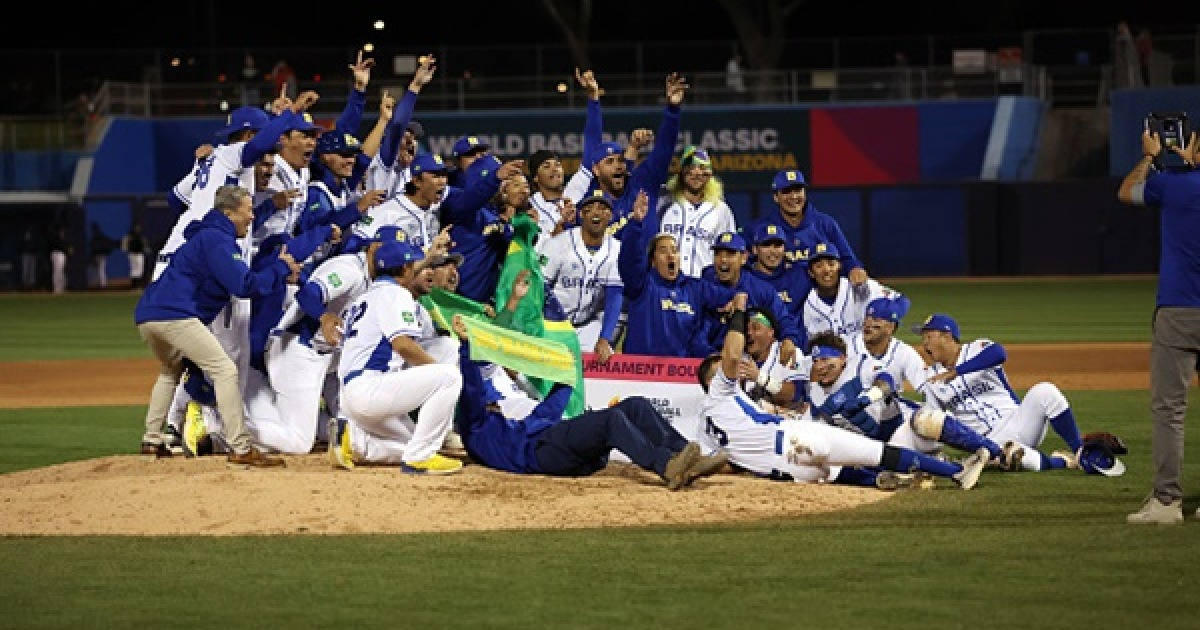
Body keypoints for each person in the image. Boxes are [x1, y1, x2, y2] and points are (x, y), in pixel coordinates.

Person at [696, 293, 988, 490]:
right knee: (871, 457)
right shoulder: (732, 390)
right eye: (818, 360)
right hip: (807, 442)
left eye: (827, 360)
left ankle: (983, 455)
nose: (821, 366)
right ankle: (947, 472)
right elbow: (778, 385)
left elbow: (884, 379)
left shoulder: (710, 420)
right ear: (713, 380)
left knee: (849, 464)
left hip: (795, 467)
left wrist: (867, 397)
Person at [449, 314, 726, 490]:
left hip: (557, 446)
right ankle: (666, 466)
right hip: (544, 454)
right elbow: (472, 388)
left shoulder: (511, 422)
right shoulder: (476, 428)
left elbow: (549, 411)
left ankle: (687, 458)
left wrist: (566, 377)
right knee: (611, 420)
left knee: (636, 405)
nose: (492, 401)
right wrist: (467, 346)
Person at [134, 185, 300, 466]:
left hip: (149, 315)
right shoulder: (218, 240)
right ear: (228, 213)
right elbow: (244, 285)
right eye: (248, 210)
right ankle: (241, 447)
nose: (251, 217)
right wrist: (281, 268)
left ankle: (151, 439)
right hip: (175, 314)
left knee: (169, 372)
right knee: (224, 370)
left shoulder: (206, 234)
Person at [1118, 127, 1200, 524]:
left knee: (1170, 409)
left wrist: (1151, 157)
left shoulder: (1174, 186)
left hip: (1181, 310)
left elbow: (1128, 191)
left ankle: (1168, 502)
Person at [912, 313, 1109, 475]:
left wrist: (957, 371)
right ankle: (1063, 462)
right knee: (1015, 456)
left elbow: (999, 354)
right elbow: (935, 420)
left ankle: (1079, 450)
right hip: (987, 443)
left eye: (929, 337)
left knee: (1045, 391)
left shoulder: (977, 348)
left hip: (1019, 422)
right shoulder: (931, 380)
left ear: (947, 336)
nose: (924, 344)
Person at [330, 238, 464, 474]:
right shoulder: (396, 294)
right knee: (450, 377)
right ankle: (420, 459)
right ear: (404, 270)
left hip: (349, 396)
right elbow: (402, 345)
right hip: (371, 389)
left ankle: (355, 442)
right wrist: (435, 371)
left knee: (412, 442)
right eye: (412, 264)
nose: (417, 268)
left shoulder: (363, 298)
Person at [616, 190, 737, 358]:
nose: (671, 255)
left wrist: (735, 301)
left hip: (679, 376)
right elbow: (629, 259)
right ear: (653, 260)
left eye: (675, 250)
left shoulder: (695, 288)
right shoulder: (641, 285)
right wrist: (636, 223)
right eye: (663, 251)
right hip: (641, 374)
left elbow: (735, 296)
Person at [539, 191, 624, 359]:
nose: (596, 213)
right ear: (581, 214)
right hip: (550, 322)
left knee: (605, 358)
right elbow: (539, 287)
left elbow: (615, 295)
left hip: (586, 325)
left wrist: (605, 338)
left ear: (611, 216)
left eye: (602, 208)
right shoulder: (557, 244)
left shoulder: (617, 249)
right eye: (589, 208)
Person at [697, 231, 804, 363]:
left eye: (730, 254)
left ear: (744, 258)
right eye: (718, 254)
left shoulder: (761, 289)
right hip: (712, 357)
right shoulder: (704, 287)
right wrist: (710, 356)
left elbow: (784, 320)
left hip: (750, 359)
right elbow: (697, 331)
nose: (723, 259)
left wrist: (789, 339)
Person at [752, 169, 868, 286]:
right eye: (787, 191)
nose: (793, 196)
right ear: (776, 197)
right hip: (779, 294)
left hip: (820, 293)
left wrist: (855, 269)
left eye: (798, 190)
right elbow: (743, 260)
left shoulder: (825, 223)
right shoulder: (761, 228)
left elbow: (847, 258)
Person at [656, 146, 737, 278]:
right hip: (665, 284)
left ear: (710, 173)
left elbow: (729, 251)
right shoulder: (663, 203)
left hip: (704, 286)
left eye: (703, 167)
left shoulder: (721, 210)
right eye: (691, 167)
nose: (697, 173)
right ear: (681, 171)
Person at [802, 242, 908, 342]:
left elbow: (901, 301)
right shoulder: (807, 302)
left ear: (839, 266)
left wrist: (885, 316)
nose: (826, 270)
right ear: (811, 272)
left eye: (831, 264)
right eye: (819, 266)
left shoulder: (859, 286)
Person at [744, 221, 812, 319]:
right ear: (755, 249)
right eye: (766, 245)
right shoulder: (744, 279)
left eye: (777, 245)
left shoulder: (800, 275)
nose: (772, 251)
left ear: (784, 249)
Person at [1113, 21, 1143, 89]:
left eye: (1123, 27)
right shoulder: (1119, 40)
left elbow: (1130, 53)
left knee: (1132, 78)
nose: (1120, 28)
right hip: (1123, 65)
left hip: (1130, 63)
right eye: (1120, 27)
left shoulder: (1128, 38)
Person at [122, 223, 147, 289]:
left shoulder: (140, 236)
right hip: (133, 254)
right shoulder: (130, 236)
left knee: (139, 270)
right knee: (135, 270)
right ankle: (134, 285)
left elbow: (144, 245)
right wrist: (128, 251)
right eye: (136, 227)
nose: (137, 229)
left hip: (139, 254)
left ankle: (137, 285)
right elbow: (124, 246)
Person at [89, 222, 113, 288]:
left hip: (99, 255)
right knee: (101, 270)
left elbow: (94, 247)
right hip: (102, 255)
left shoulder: (95, 237)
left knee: (100, 270)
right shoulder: (101, 236)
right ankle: (102, 283)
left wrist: (93, 255)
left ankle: (102, 284)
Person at [48, 223, 69, 294]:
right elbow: (61, 246)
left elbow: (66, 248)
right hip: (57, 254)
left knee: (61, 271)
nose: (62, 233)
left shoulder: (62, 239)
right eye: (61, 231)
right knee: (57, 272)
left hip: (61, 254)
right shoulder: (55, 238)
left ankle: (61, 288)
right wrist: (66, 249)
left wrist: (67, 250)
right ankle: (57, 289)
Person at [20, 225, 38, 290]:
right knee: (25, 270)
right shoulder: (23, 237)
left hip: (32, 254)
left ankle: (31, 285)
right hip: (25, 254)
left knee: (32, 270)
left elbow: (35, 245)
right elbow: (21, 246)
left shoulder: (34, 237)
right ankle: (25, 285)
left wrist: (35, 253)